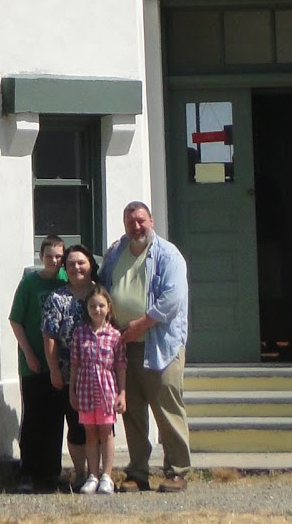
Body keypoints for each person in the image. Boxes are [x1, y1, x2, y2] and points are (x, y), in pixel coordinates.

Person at [99, 201, 190, 493]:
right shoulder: (116, 253)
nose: (136, 227)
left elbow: (172, 300)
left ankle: (177, 471)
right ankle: (138, 472)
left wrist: (141, 324)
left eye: (141, 220)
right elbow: (102, 288)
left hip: (159, 345)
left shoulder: (168, 255)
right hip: (124, 347)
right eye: (130, 222)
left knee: (167, 408)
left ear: (151, 220)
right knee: (133, 411)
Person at [8, 235, 66, 492]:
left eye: (59, 256)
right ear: (41, 257)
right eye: (49, 256)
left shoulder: (66, 281)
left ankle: (50, 472)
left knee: (55, 418)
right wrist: (29, 354)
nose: (54, 261)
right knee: (33, 417)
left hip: (59, 364)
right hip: (33, 363)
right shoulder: (30, 284)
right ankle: (28, 472)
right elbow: (16, 320)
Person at [41, 242, 98, 489]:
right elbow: (49, 335)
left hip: (99, 374)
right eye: (71, 264)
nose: (76, 268)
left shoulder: (101, 295)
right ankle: (81, 473)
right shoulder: (57, 298)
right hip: (67, 374)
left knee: (99, 425)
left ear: (90, 265)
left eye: (81, 262)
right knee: (76, 426)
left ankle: (99, 474)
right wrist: (54, 369)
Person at [69, 285, 127, 496]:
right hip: (85, 388)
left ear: (108, 307)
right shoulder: (80, 333)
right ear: (87, 308)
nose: (97, 310)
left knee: (106, 433)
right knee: (90, 434)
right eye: (93, 306)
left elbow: (120, 365)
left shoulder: (115, 335)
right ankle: (92, 475)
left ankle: (106, 476)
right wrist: (72, 390)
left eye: (101, 305)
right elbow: (75, 364)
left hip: (107, 389)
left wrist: (122, 393)